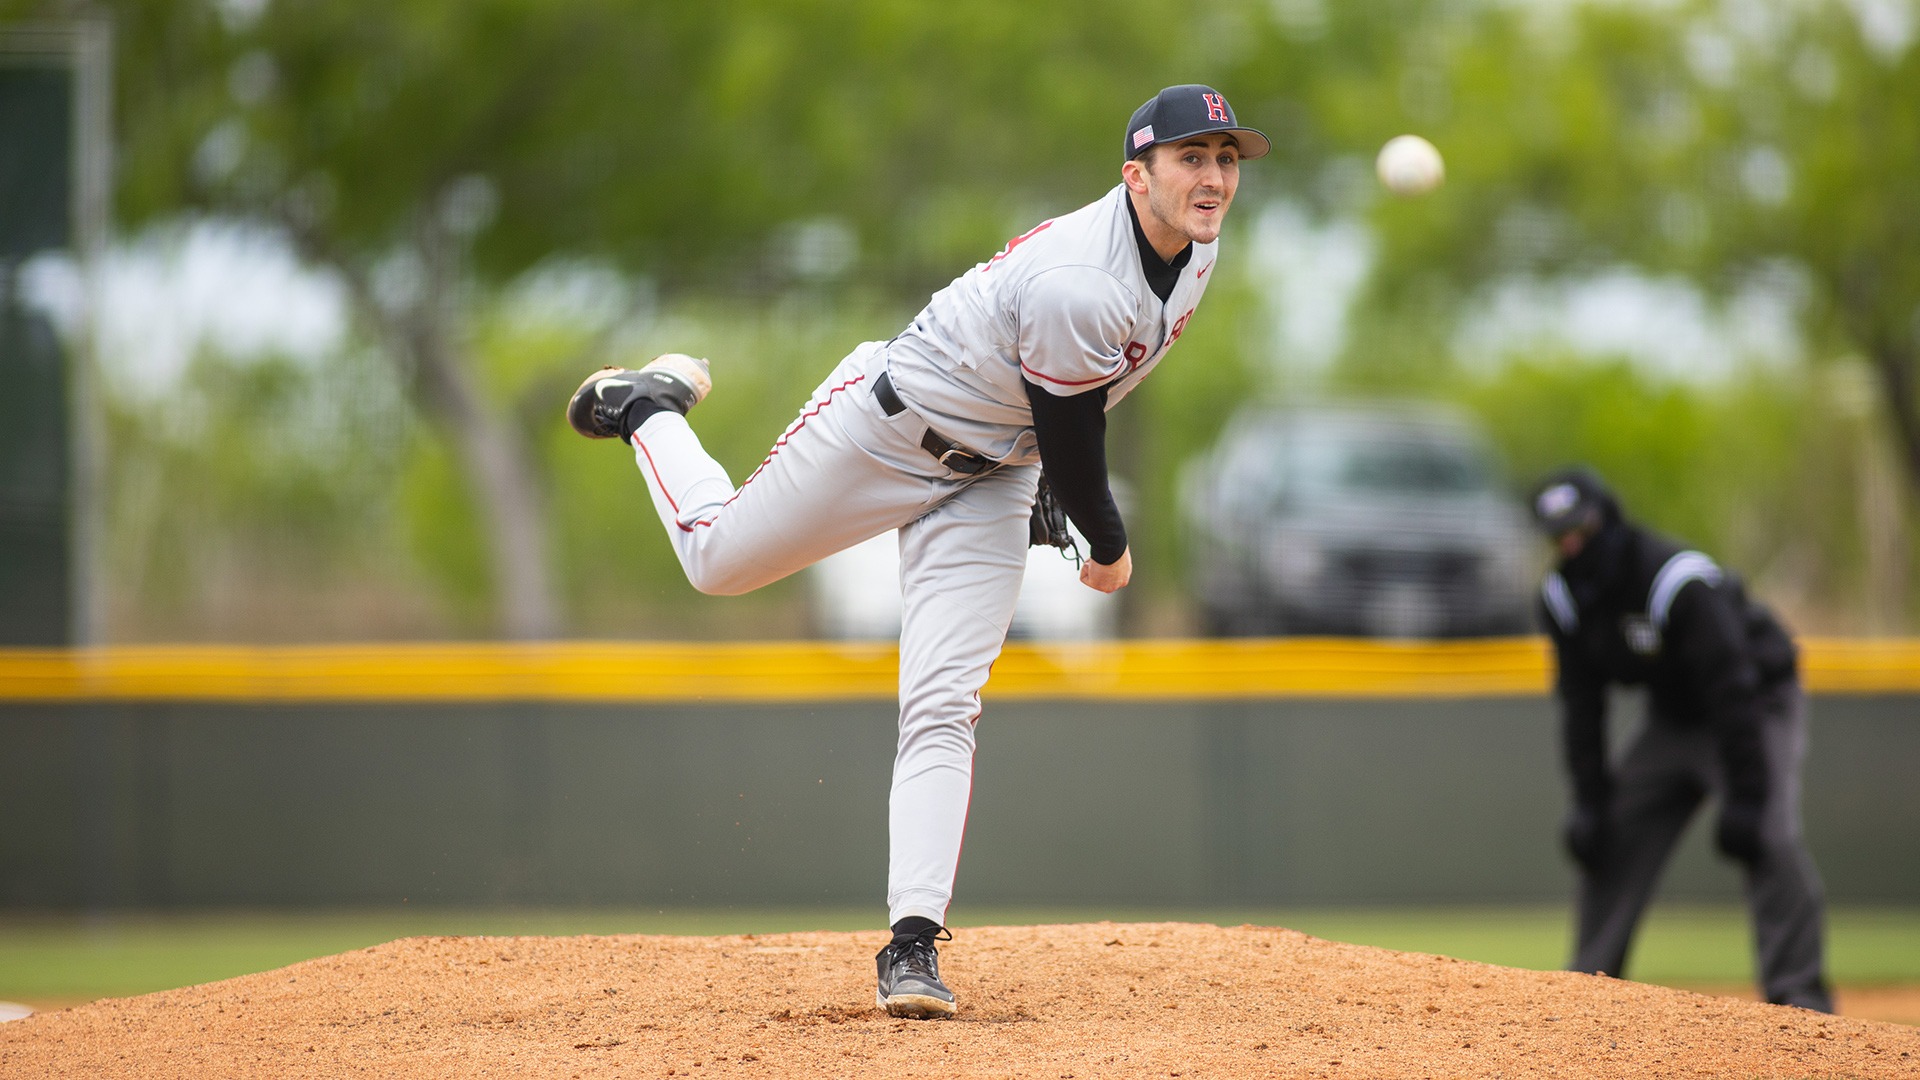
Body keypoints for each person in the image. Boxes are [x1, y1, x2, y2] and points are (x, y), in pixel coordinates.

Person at [564, 85, 1266, 1019]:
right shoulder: (1078, 279)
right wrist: (1108, 542)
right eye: (1191, 158)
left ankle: (912, 946)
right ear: (1136, 175)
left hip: (996, 470)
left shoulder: (1194, 248)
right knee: (715, 560)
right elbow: (1072, 423)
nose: (1213, 175)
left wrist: (1048, 468)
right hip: (887, 431)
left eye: (1225, 158)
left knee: (943, 700)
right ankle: (645, 406)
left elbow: (1082, 401)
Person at [1529, 466, 1832, 1012]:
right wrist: (1589, 801)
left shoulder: (1673, 578)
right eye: (1559, 536)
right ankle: (1587, 990)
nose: (1572, 544)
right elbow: (1582, 708)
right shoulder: (1563, 598)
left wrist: (1744, 795)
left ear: (1608, 517)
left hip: (1754, 703)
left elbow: (1733, 683)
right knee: (1612, 832)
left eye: (1582, 528)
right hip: (1674, 717)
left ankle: (1802, 1004)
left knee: (1769, 834)